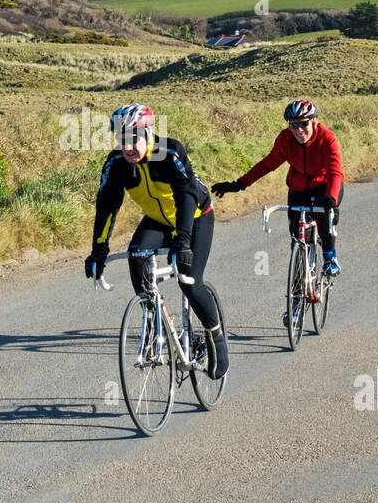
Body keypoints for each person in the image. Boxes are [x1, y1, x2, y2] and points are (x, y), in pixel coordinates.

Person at [84, 104, 229, 380]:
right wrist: (98, 250)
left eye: (134, 137)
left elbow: (187, 196)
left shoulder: (169, 152)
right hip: (158, 220)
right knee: (136, 254)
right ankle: (151, 318)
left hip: (194, 217)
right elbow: (107, 206)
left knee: (188, 281)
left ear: (149, 133)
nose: (127, 146)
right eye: (121, 139)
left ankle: (216, 337)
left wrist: (183, 241)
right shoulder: (116, 164)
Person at [211, 98, 344, 285]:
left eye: (304, 124)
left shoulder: (326, 138)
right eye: (293, 125)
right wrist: (239, 184)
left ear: (313, 121)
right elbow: (267, 164)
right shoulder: (285, 140)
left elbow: (334, 172)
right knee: (297, 239)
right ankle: (296, 299)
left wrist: (331, 199)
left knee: (324, 217)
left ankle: (330, 257)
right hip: (298, 188)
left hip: (325, 185)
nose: (299, 131)